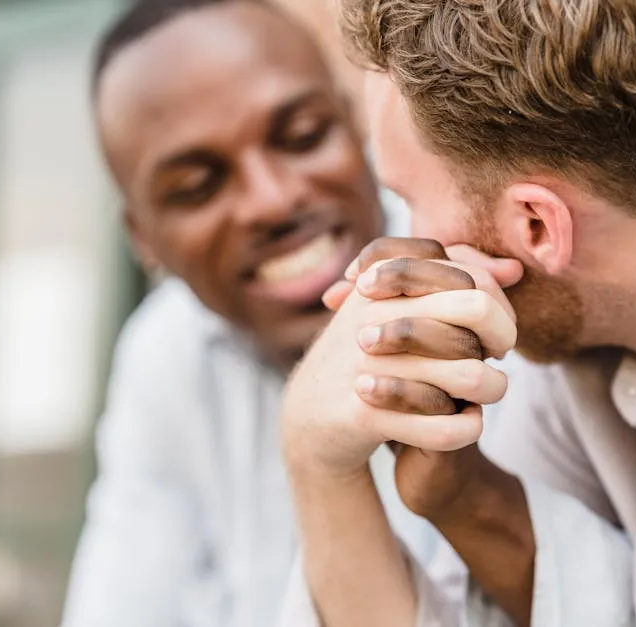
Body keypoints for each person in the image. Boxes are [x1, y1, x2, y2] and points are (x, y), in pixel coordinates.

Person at [278, 0, 636, 626]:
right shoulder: (567, 366)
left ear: (536, 225)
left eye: (409, 199)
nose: (412, 241)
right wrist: (319, 461)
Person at [60, 1, 424, 625]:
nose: (273, 200)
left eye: (303, 136)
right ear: (143, 238)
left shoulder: (483, 280)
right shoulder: (166, 352)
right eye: (198, 187)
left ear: (355, 120)